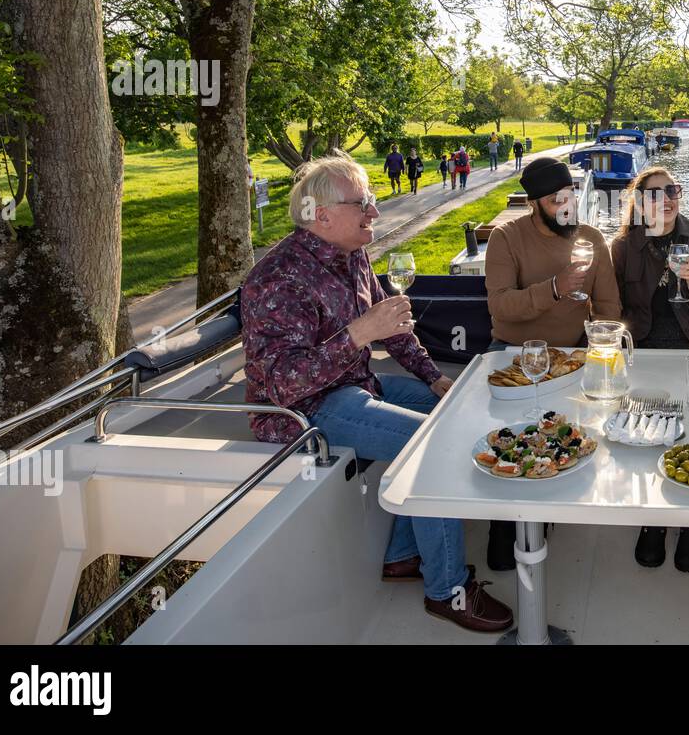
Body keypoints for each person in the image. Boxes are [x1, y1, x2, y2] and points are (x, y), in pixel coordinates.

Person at [240, 152, 512, 633]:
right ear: (320, 216)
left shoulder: (352, 254)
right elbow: (284, 383)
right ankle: (445, 589)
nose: (375, 211)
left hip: (354, 384)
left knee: (453, 410)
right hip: (304, 411)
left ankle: (403, 554)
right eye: (363, 202)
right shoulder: (277, 278)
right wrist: (358, 334)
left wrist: (433, 378)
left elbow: (392, 324)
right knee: (434, 446)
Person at [483, 157, 622, 568]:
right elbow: (500, 307)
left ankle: (552, 509)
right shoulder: (506, 238)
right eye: (553, 199)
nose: (564, 206)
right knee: (513, 440)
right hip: (513, 356)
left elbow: (609, 304)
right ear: (533, 203)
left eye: (568, 196)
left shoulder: (593, 238)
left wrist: (605, 349)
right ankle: (504, 531)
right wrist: (556, 289)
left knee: (566, 437)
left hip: (572, 356)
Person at [611, 166, 689, 573]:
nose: (666, 199)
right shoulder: (625, 247)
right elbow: (615, 310)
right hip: (643, 350)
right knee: (648, 433)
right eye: (655, 193)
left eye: (672, 191)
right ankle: (654, 517)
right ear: (639, 202)